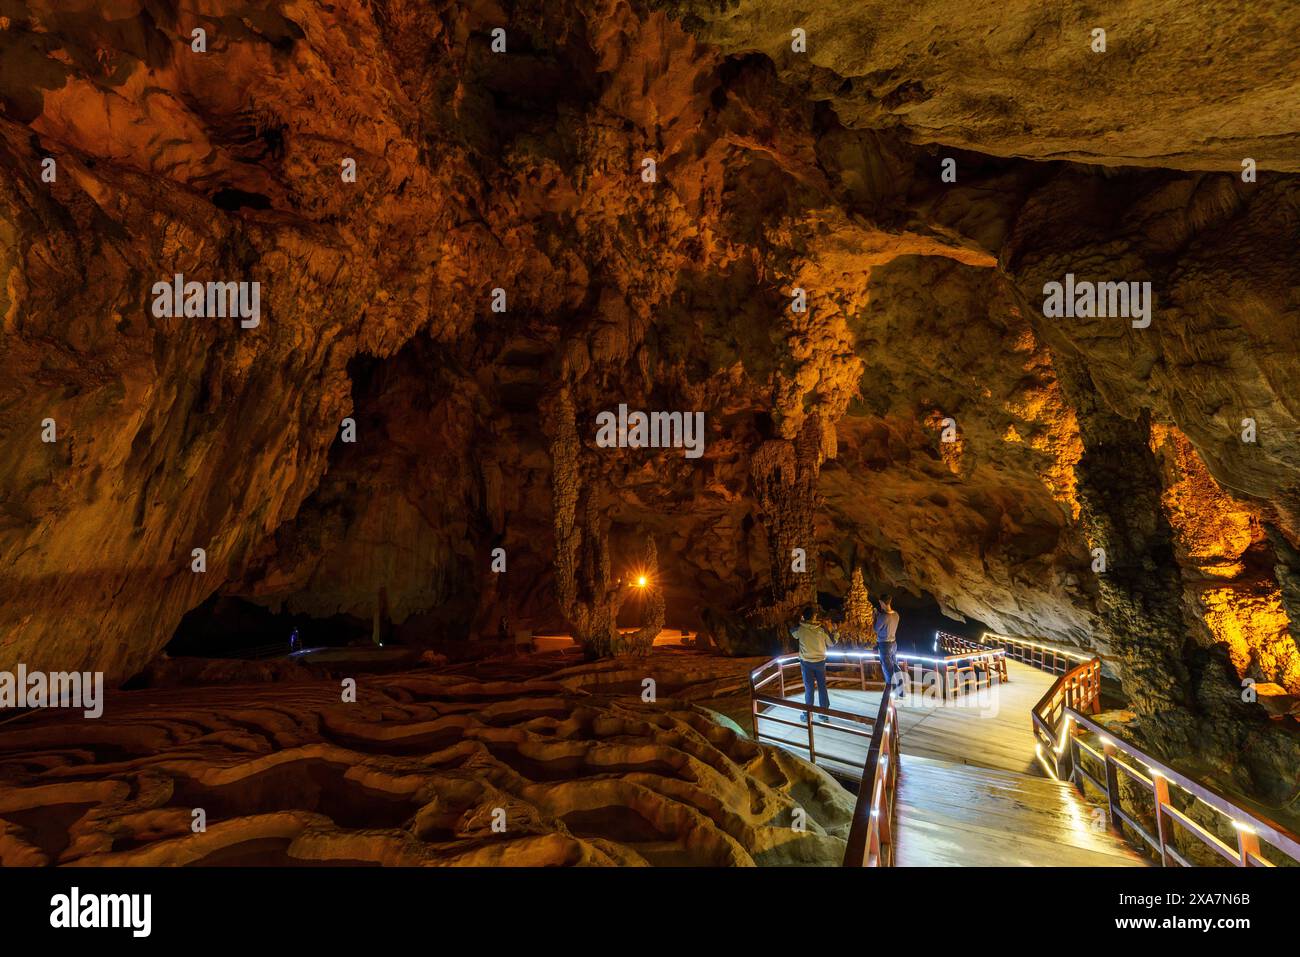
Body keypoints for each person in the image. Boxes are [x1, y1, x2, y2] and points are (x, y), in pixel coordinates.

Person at [789, 606, 837, 723]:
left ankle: (807, 714)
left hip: (806, 663)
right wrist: (836, 632)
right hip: (820, 662)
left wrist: (800, 620)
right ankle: (824, 714)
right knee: (822, 687)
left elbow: (792, 632)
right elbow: (832, 643)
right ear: (814, 616)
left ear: (804, 616)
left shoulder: (800, 629)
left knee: (809, 688)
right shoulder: (822, 629)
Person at [873, 595, 900, 693]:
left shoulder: (883, 617)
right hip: (894, 643)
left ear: (882, 603)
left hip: (884, 645)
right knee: (895, 665)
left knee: (887, 669)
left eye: (880, 603)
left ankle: (890, 693)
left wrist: (875, 617)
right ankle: (900, 691)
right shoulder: (896, 614)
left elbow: (876, 629)